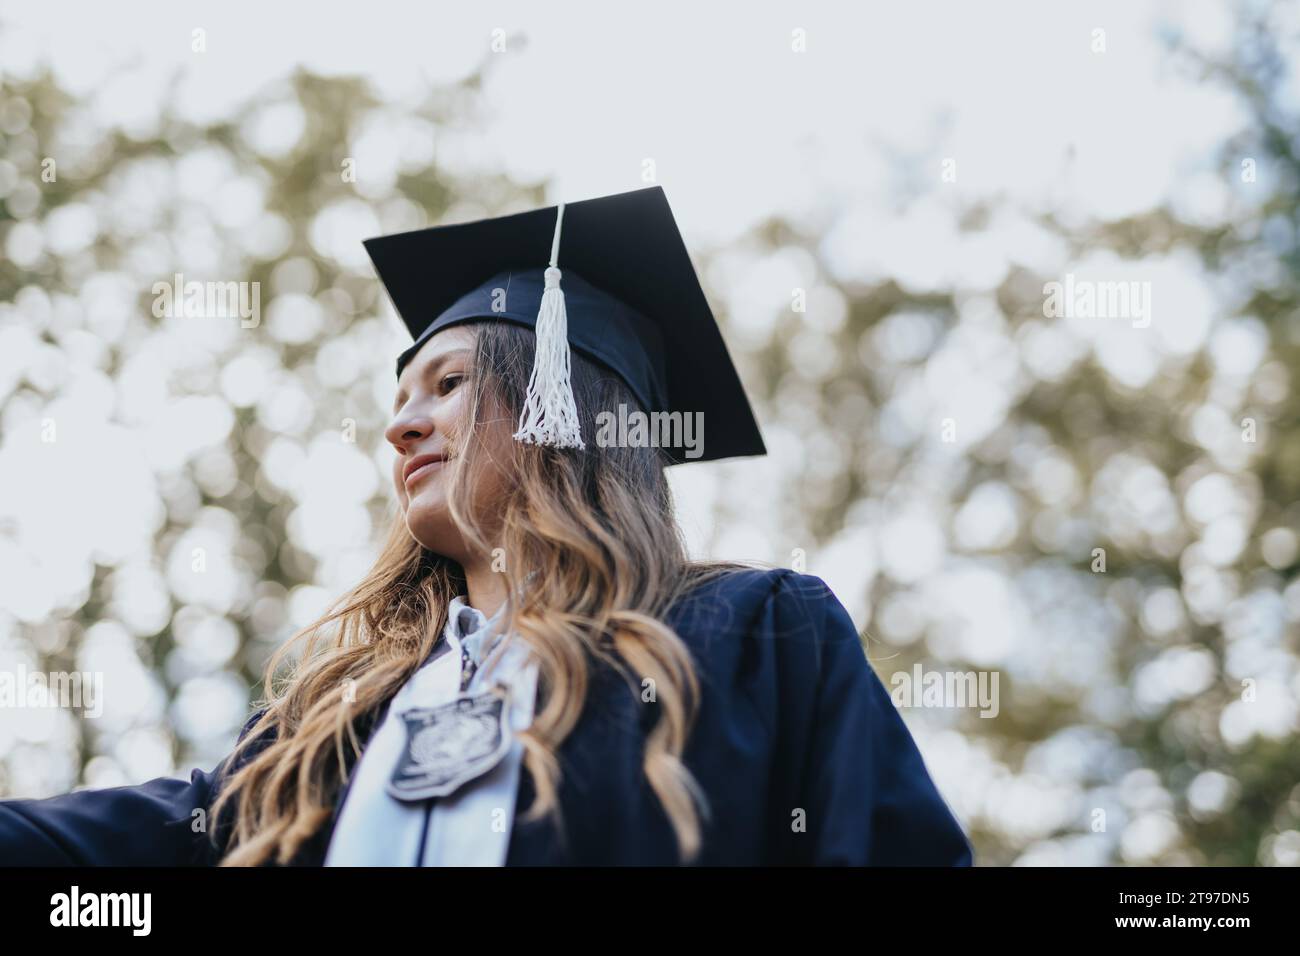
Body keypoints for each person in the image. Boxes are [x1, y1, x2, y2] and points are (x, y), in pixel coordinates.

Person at [0, 186, 972, 866]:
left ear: (559, 405)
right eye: (399, 396)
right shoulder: (331, 723)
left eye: (450, 383)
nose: (400, 422)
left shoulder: (753, 637)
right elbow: (118, 848)